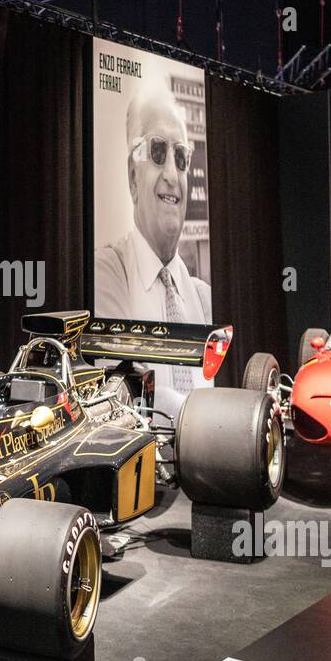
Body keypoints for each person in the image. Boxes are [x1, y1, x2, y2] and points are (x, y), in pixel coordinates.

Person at [94, 83, 211, 418]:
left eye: (181, 157)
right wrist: (202, 419)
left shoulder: (201, 298)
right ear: (133, 176)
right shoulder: (110, 273)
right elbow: (124, 384)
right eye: (158, 153)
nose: (172, 176)